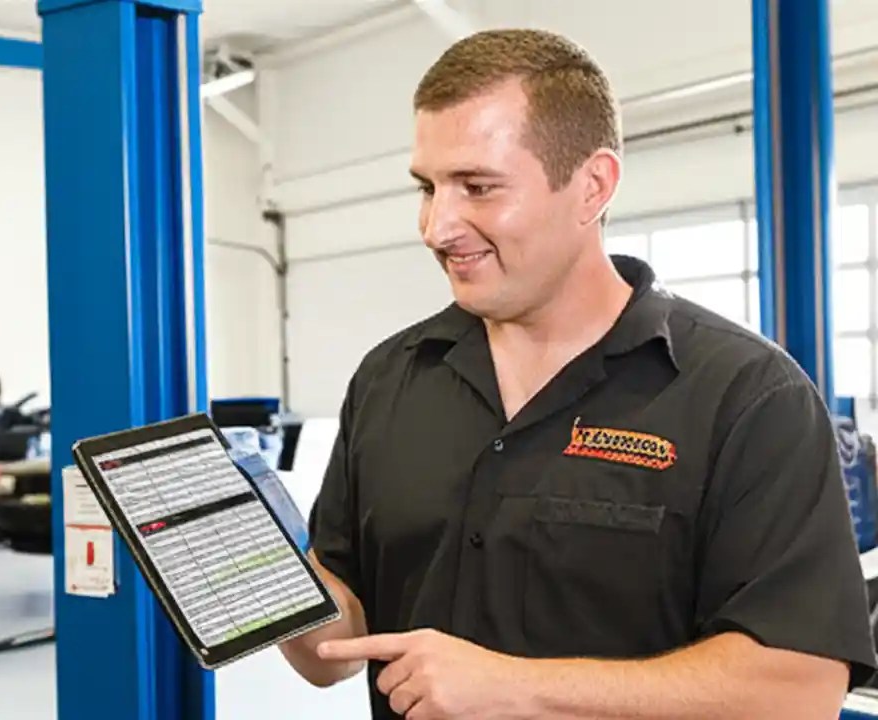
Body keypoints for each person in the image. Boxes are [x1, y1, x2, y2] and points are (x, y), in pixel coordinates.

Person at [279, 28, 878, 720]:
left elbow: (797, 689)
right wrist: (255, 585)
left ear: (592, 185)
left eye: (477, 187)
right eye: (428, 188)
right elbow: (342, 638)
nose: (438, 226)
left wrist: (515, 688)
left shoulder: (745, 396)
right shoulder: (390, 380)